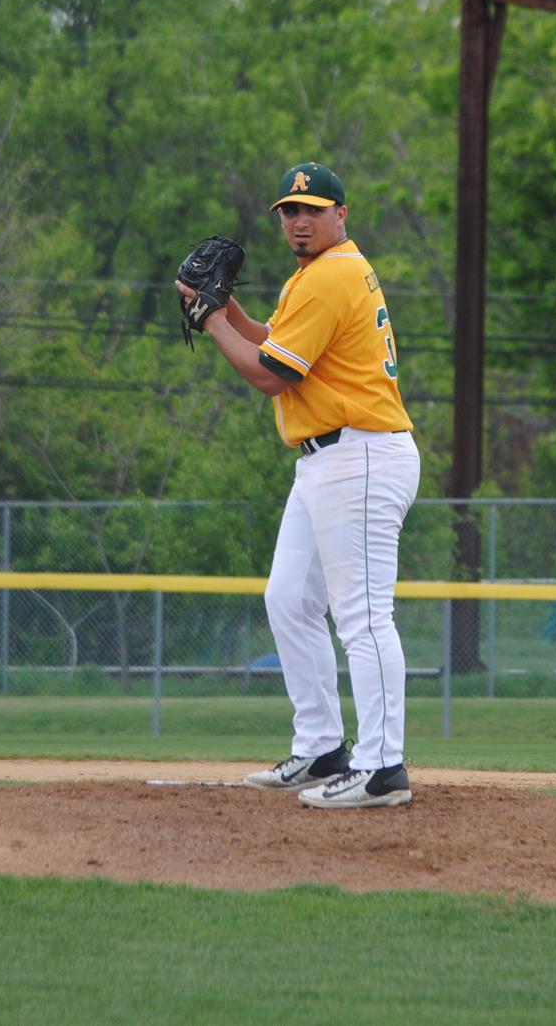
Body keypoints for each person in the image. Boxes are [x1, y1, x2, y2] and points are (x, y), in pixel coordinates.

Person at [176, 161, 420, 808]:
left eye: (313, 208)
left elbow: (271, 376)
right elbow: (275, 348)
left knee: (364, 618)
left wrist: (209, 320)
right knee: (289, 599)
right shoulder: (318, 278)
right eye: (289, 210)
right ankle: (322, 748)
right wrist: (224, 308)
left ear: (342, 213)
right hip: (327, 460)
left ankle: (381, 767)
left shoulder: (330, 275)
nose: (299, 220)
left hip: (358, 455)